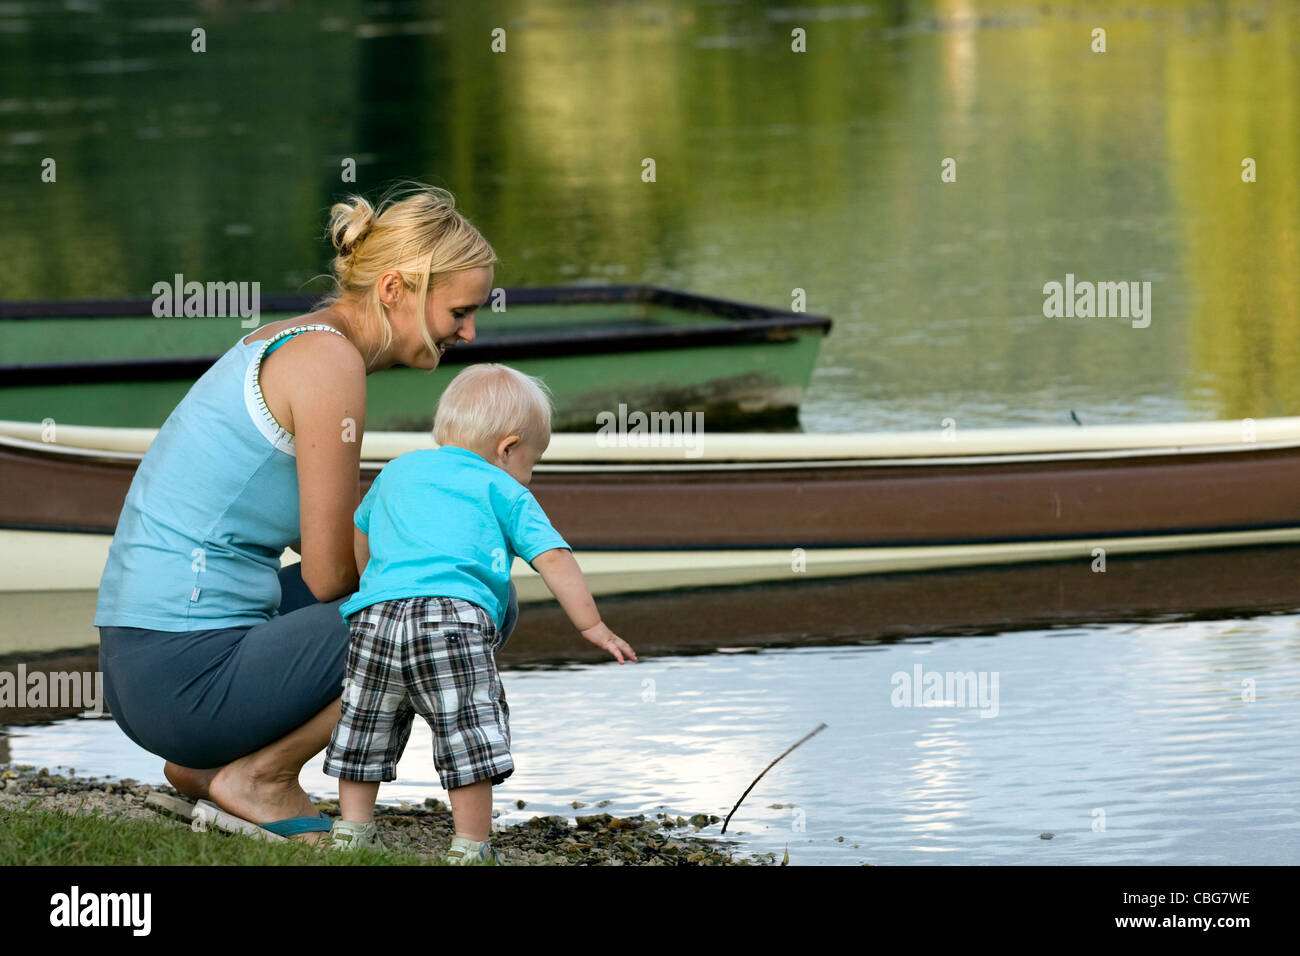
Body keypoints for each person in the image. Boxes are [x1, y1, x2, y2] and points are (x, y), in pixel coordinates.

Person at [94, 183, 502, 841]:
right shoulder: (328, 363)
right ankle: (262, 776)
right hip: (183, 679)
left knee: (426, 585)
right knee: (448, 604)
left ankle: (214, 769)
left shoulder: (295, 341)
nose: (470, 330)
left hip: (143, 671)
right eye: (460, 309)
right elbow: (329, 577)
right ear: (396, 290)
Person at [324, 364, 637, 863]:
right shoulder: (506, 489)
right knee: (466, 734)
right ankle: (471, 847)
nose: (528, 474)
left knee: (365, 725)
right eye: (532, 462)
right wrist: (591, 625)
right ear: (507, 449)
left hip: (376, 618)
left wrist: (373, 585)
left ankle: (352, 833)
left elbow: (362, 531)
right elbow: (553, 558)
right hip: (453, 621)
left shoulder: (399, 469)